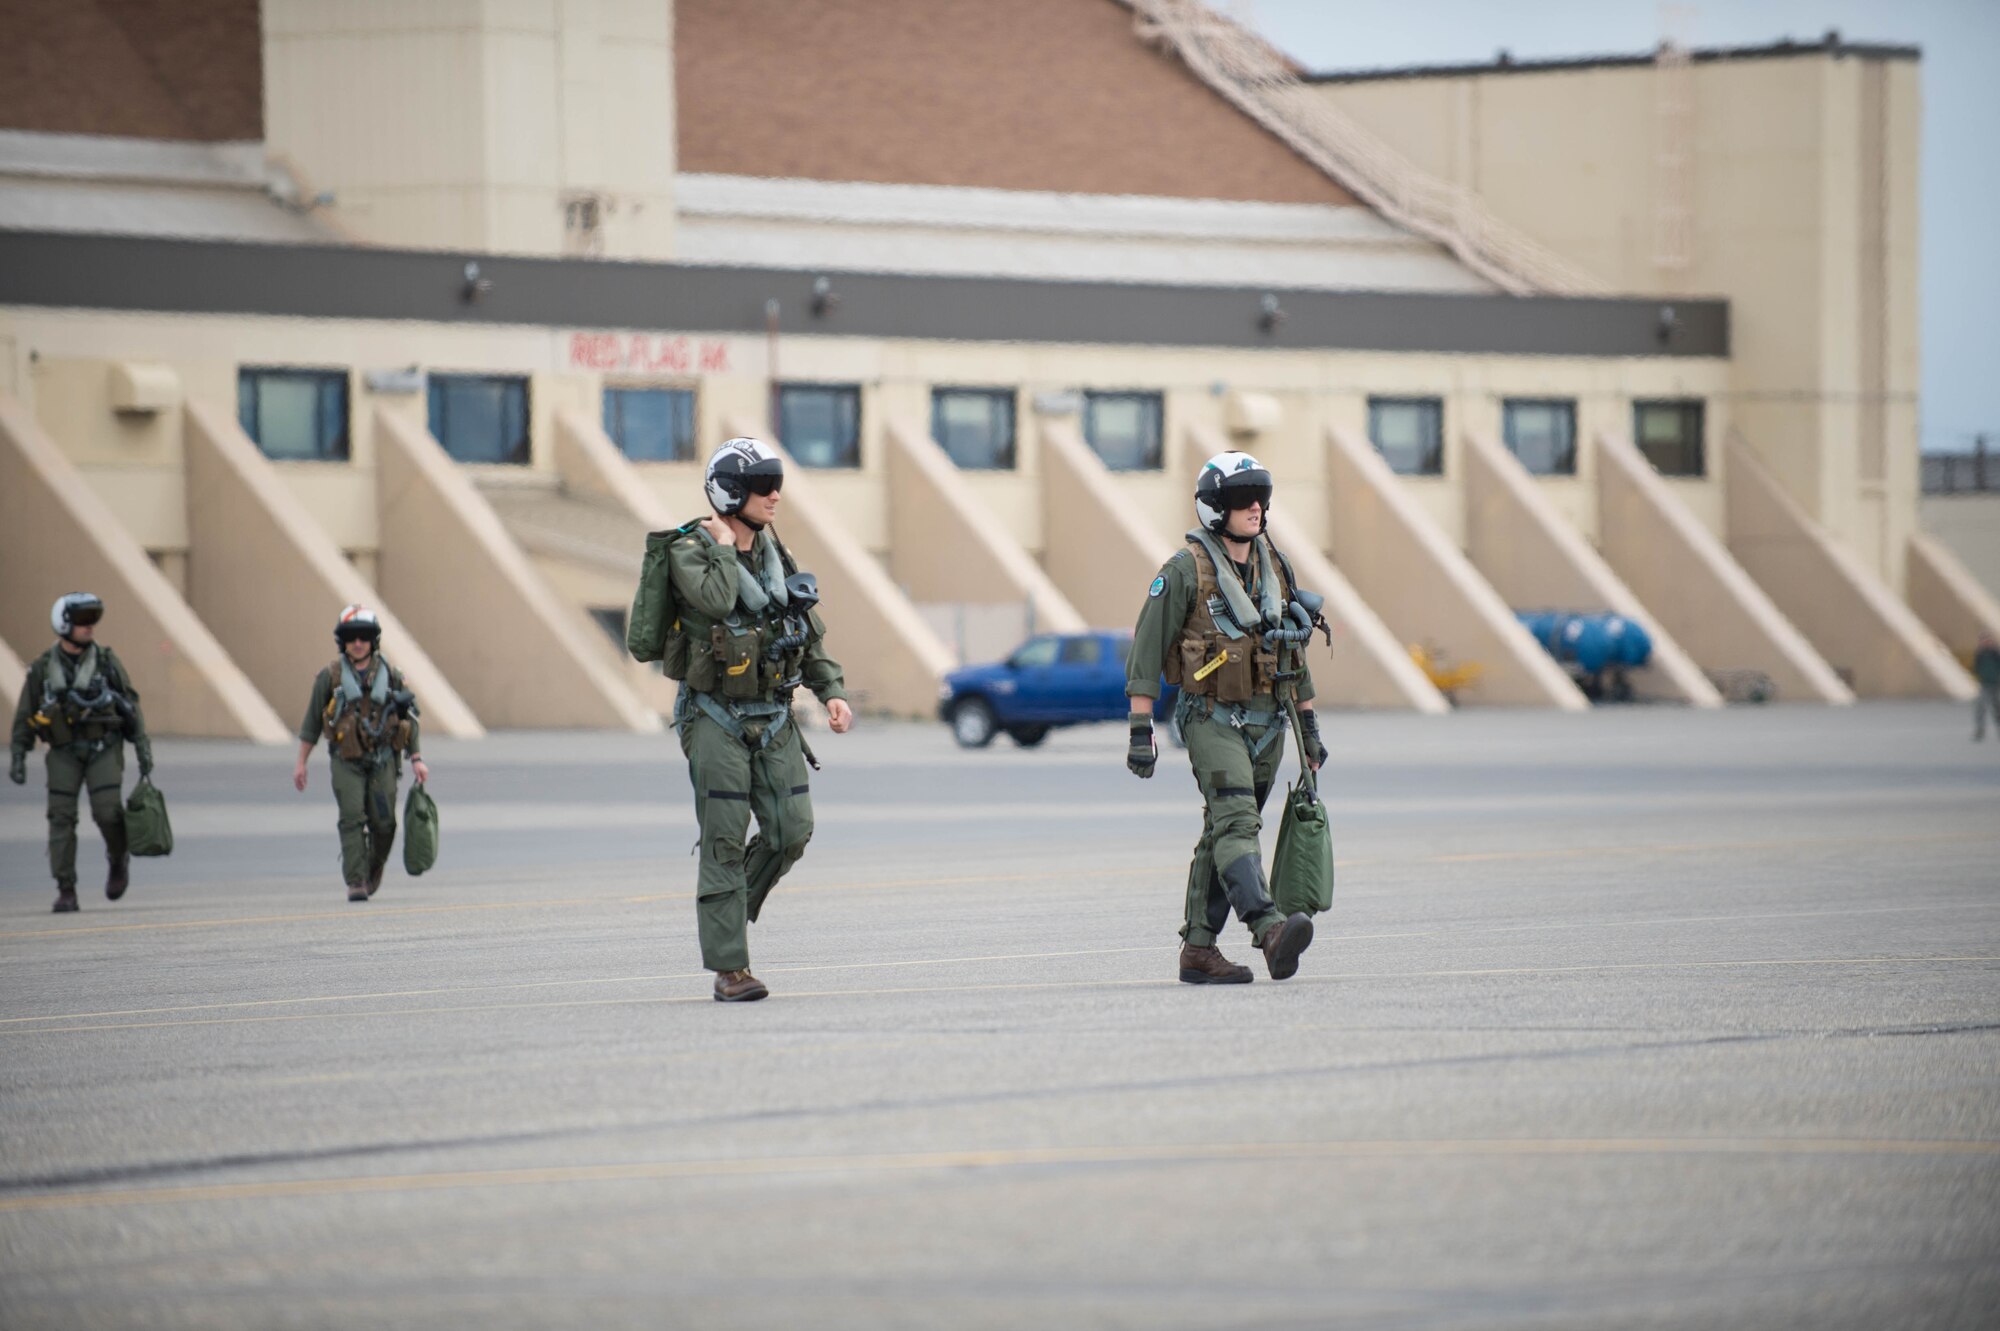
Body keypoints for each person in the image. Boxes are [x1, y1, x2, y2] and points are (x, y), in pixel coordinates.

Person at [1125, 452, 1326, 985]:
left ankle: (1198, 950)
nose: (1255, 506)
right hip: (1212, 716)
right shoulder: (1185, 570)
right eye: (1242, 498)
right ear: (1216, 508)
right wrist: (1141, 729)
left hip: (1269, 720)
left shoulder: (1274, 567)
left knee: (1222, 834)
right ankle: (1270, 931)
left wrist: (1308, 727)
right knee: (1239, 824)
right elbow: (1146, 651)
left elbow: (1293, 651)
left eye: (1261, 495)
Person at [667, 438, 852, 1002]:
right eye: (762, 484)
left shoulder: (775, 556)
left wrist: (831, 691)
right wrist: (724, 546)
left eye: (777, 482)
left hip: (774, 716)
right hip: (715, 717)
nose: (775, 494)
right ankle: (730, 969)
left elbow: (802, 628)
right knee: (724, 841)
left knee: (791, 831)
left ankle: (726, 915)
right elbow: (719, 602)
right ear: (730, 493)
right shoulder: (690, 550)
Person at [9, 593, 153, 913]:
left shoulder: (105, 661)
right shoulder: (44, 669)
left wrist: (143, 749)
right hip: (63, 752)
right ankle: (66, 889)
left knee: (108, 812)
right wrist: (18, 754)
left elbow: (132, 705)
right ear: (64, 625)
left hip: (103, 747)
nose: (89, 628)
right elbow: (25, 713)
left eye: (91, 622)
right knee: (60, 818)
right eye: (82, 622)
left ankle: (118, 857)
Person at [293, 605, 428, 902]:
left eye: (364, 637)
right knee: (352, 817)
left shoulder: (391, 676)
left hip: (383, 760)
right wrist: (301, 763)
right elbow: (311, 723)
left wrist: (416, 758)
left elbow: (410, 721)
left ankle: (373, 866)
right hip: (347, 761)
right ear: (344, 641)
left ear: (373, 640)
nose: (358, 643)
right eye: (352, 637)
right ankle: (356, 880)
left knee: (384, 823)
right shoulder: (330, 678)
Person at [1973, 631, 2000, 741]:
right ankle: (1980, 730)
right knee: (1981, 707)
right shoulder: (1980, 654)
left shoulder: (1995, 653)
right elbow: (1976, 667)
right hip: (1984, 684)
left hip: (1995, 683)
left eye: (1987, 640)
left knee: (1996, 708)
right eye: (1983, 640)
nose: (1985, 642)